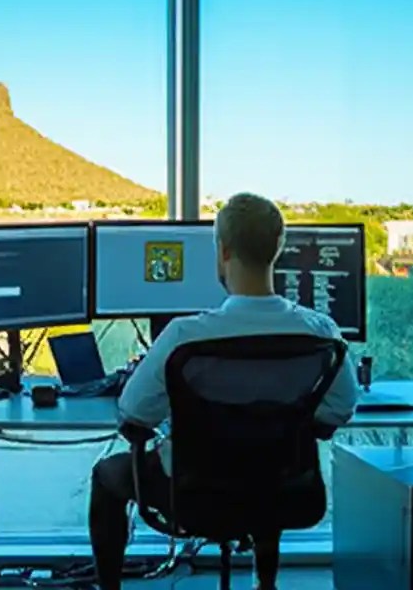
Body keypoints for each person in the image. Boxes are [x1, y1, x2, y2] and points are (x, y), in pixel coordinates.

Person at [88, 192, 360, 590]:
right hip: (282, 487)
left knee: (105, 476)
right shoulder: (321, 332)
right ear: (279, 248)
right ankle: (265, 584)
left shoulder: (185, 335)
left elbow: (133, 414)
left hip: (192, 492)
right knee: (267, 458)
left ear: (223, 251)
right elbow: (340, 410)